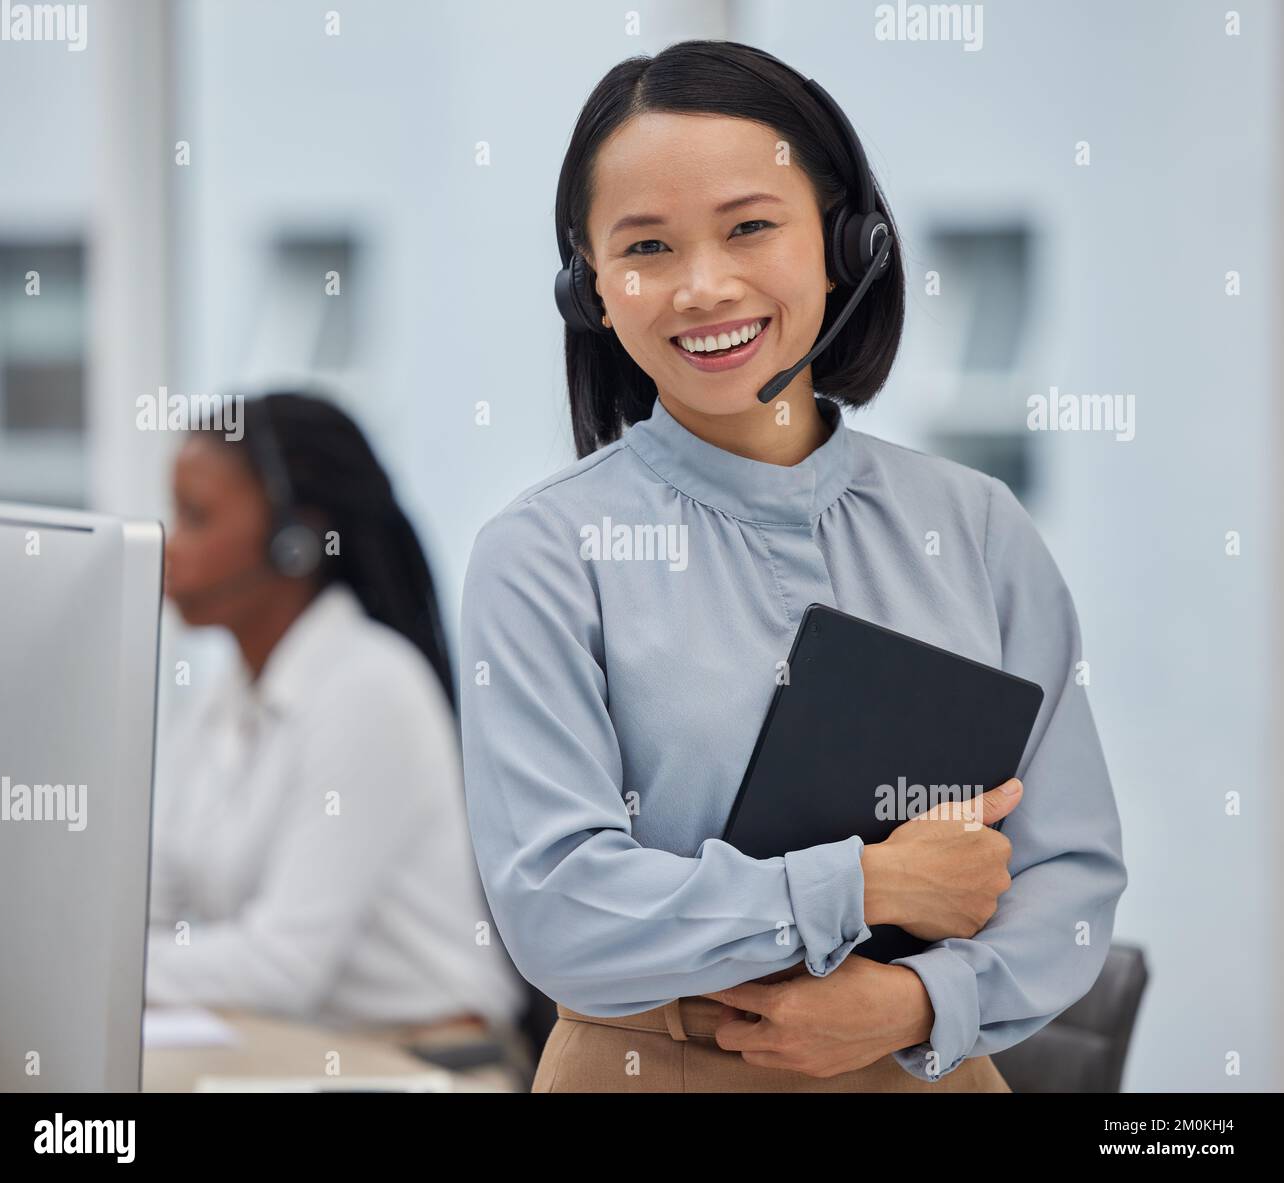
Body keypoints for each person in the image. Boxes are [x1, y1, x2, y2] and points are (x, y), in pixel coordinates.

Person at [458, 41, 1126, 1092]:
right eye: (647, 248)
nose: (702, 286)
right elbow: (559, 909)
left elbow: (1070, 874)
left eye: (750, 227)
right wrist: (859, 886)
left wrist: (914, 1001)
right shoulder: (543, 556)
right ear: (589, 287)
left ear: (845, 244)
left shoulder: (978, 528)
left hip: (928, 1073)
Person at [148, 390, 525, 1052]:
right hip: (305, 1043)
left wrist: (106, 966)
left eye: (196, 516)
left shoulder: (369, 686)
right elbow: (152, 900)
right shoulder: (224, 697)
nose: (166, 546)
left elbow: (282, 965)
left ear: (296, 539)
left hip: (429, 1058)